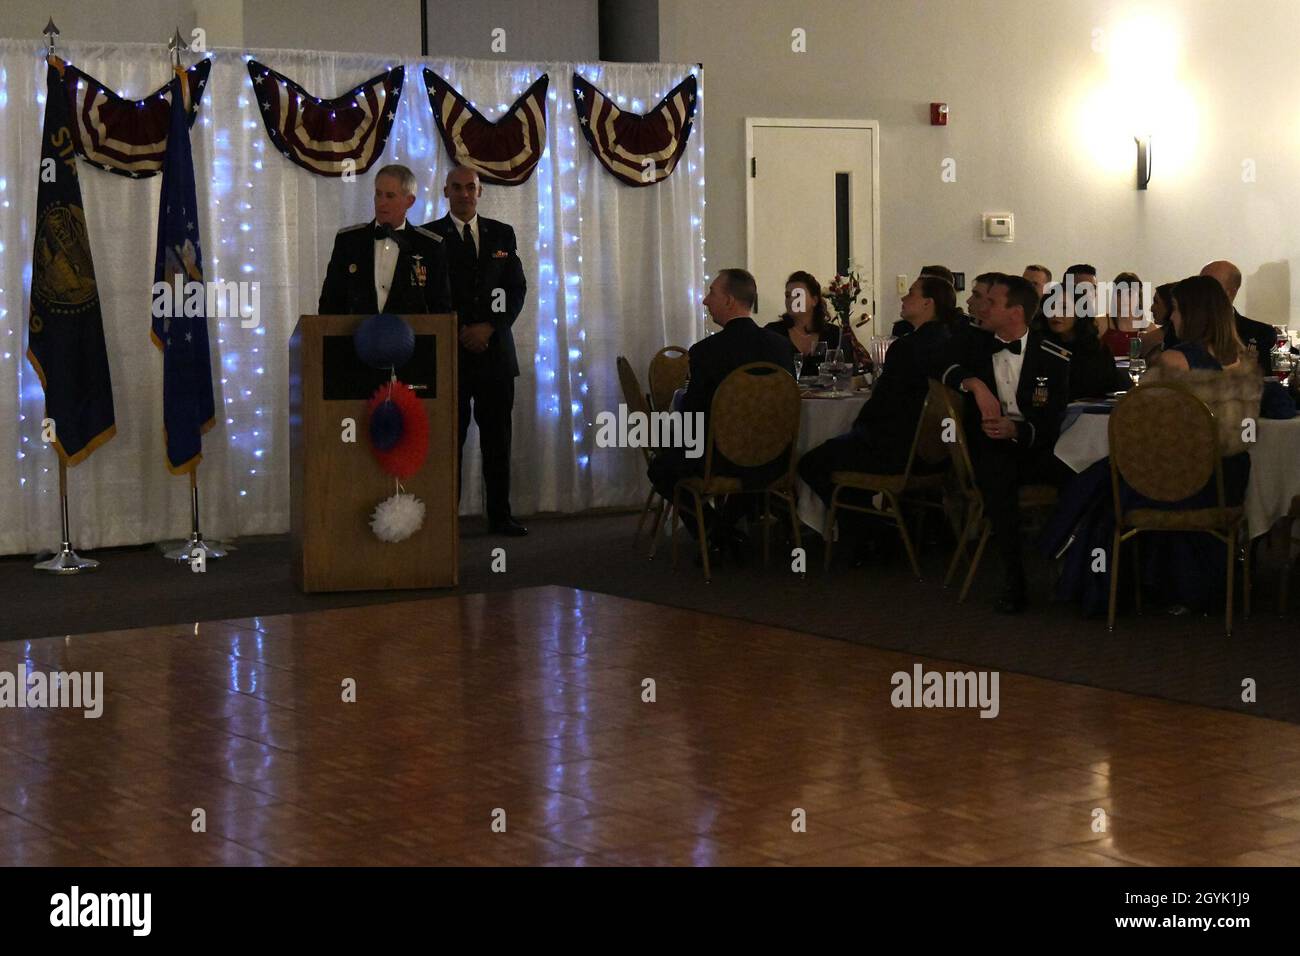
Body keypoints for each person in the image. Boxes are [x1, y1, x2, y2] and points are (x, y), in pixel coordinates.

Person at [932, 273, 1071, 613]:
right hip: (991, 446)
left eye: (993, 302)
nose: (984, 307)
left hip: (1033, 445)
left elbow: (1051, 423)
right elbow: (938, 365)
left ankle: (1072, 571)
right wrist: (975, 385)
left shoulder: (1053, 357)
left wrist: (1018, 431)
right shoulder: (975, 341)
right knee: (998, 478)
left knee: (1081, 474)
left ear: (1016, 313)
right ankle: (1014, 580)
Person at [799, 275, 956, 561]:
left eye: (910, 293)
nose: (904, 298)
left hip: (894, 450)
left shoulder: (907, 347)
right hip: (935, 454)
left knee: (812, 462)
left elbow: (882, 406)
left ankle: (870, 532)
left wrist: (857, 427)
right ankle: (874, 532)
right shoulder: (950, 341)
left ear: (927, 303)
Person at [648, 269, 794, 545]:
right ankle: (726, 528)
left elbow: (692, 417)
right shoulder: (780, 347)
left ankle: (716, 531)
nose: (705, 300)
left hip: (719, 461)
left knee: (661, 468)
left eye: (711, 293)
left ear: (728, 301)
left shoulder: (706, 351)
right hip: (774, 458)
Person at [423, 165, 529, 536]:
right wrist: (460, 330)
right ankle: (444, 520)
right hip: (451, 356)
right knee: (448, 443)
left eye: (471, 187)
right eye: (457, 188)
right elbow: (427, 297)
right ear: (445, 191)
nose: (465, 194)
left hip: (495, 355)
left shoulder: (501, 234)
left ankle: (500, 516)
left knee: (498, 441)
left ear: (480, 192)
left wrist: (489, 327)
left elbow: (514, 290)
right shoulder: (428, 237)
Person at [318, 164, 452, 316]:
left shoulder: (429, 246)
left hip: (410, 337)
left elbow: (440, 308)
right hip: (356, 336)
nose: (381, 202)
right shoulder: (349, 241)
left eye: (390, 196)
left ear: (410, 201)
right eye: (378, 194)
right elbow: (330, 302)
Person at [1041, 281, 1127, 399]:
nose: (1055, 313)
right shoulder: (1040, 347)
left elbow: (1110, 392)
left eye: (1064, 307)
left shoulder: (1098, 350)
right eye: (1051, 307)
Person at [1199, 259, 1274, 373]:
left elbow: (1266, 380)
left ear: (1231, 292)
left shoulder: (1260, 333)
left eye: (1210, 286)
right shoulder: (1182, 329)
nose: (1200, 291)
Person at [763, 271, 838, 376]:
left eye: (798, 295)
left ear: (814, 300)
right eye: (788, 296)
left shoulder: (833, 334)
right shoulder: (773, 332)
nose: (791, 300)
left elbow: (844, 374)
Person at [1099, 271, 1146, 358]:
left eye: (1129, 294)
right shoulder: (1101, 323)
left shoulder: (1149, 327)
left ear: (1139, 296)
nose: (1124, 299)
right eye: (1119, 294)